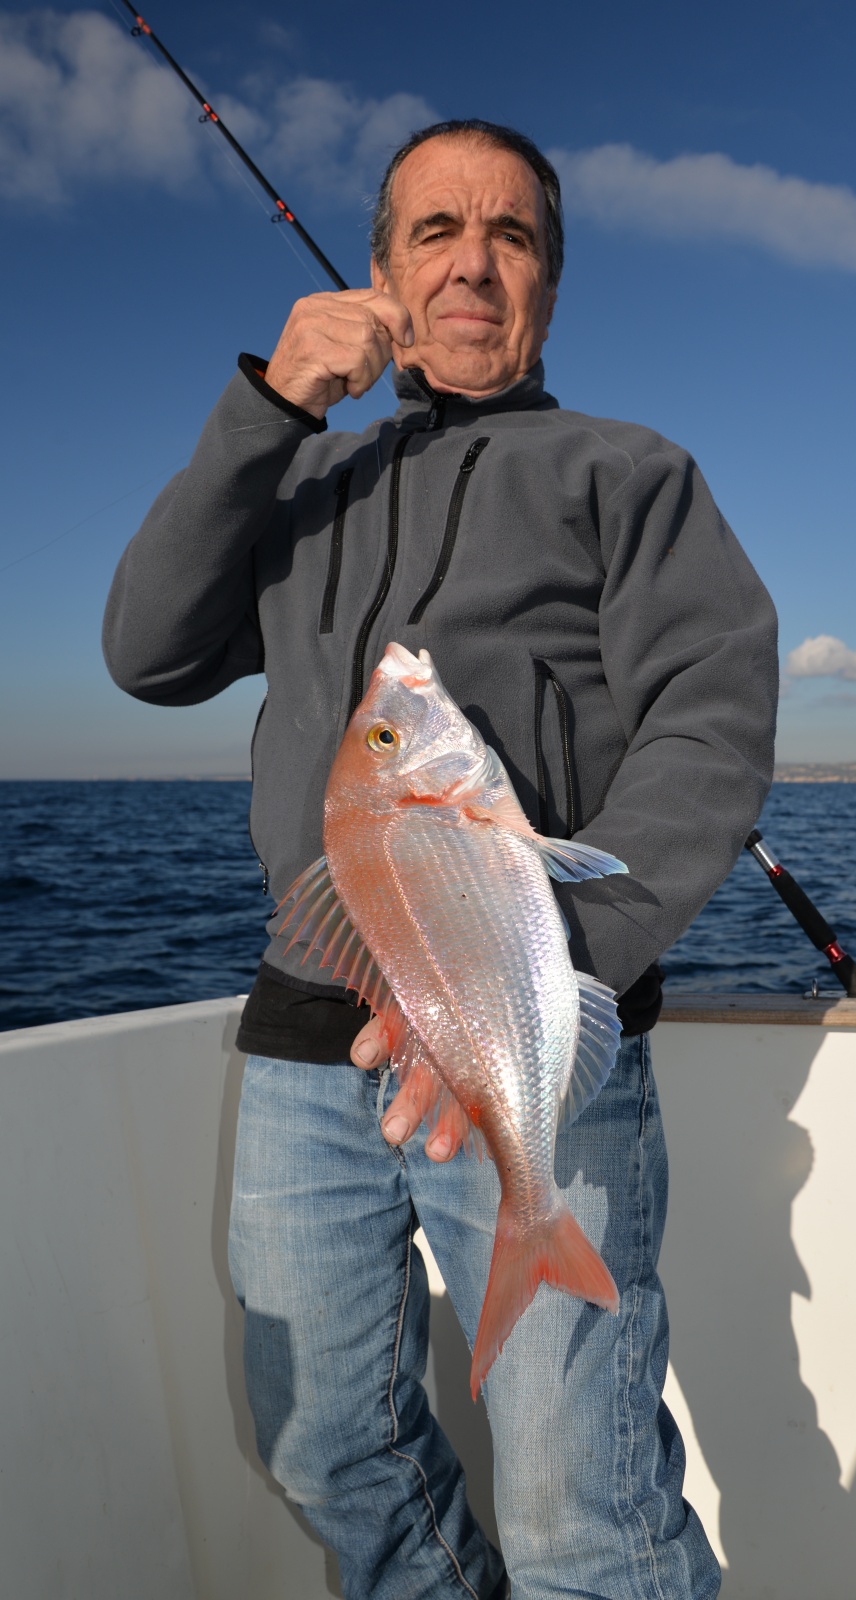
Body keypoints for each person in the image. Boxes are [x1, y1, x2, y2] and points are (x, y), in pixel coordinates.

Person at [104, 119, 778, 1600]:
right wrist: (270, 409)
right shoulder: (302, 483)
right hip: (308, 1042)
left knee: (578, 1510)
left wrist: (536, 968)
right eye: (436, 232)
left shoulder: (627, 472)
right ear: (380, 273)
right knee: (324, 1446)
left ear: (549, 288)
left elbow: (711, 723)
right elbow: (146, 652)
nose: (474, 262)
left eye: (511, 236)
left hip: (525, 1030)